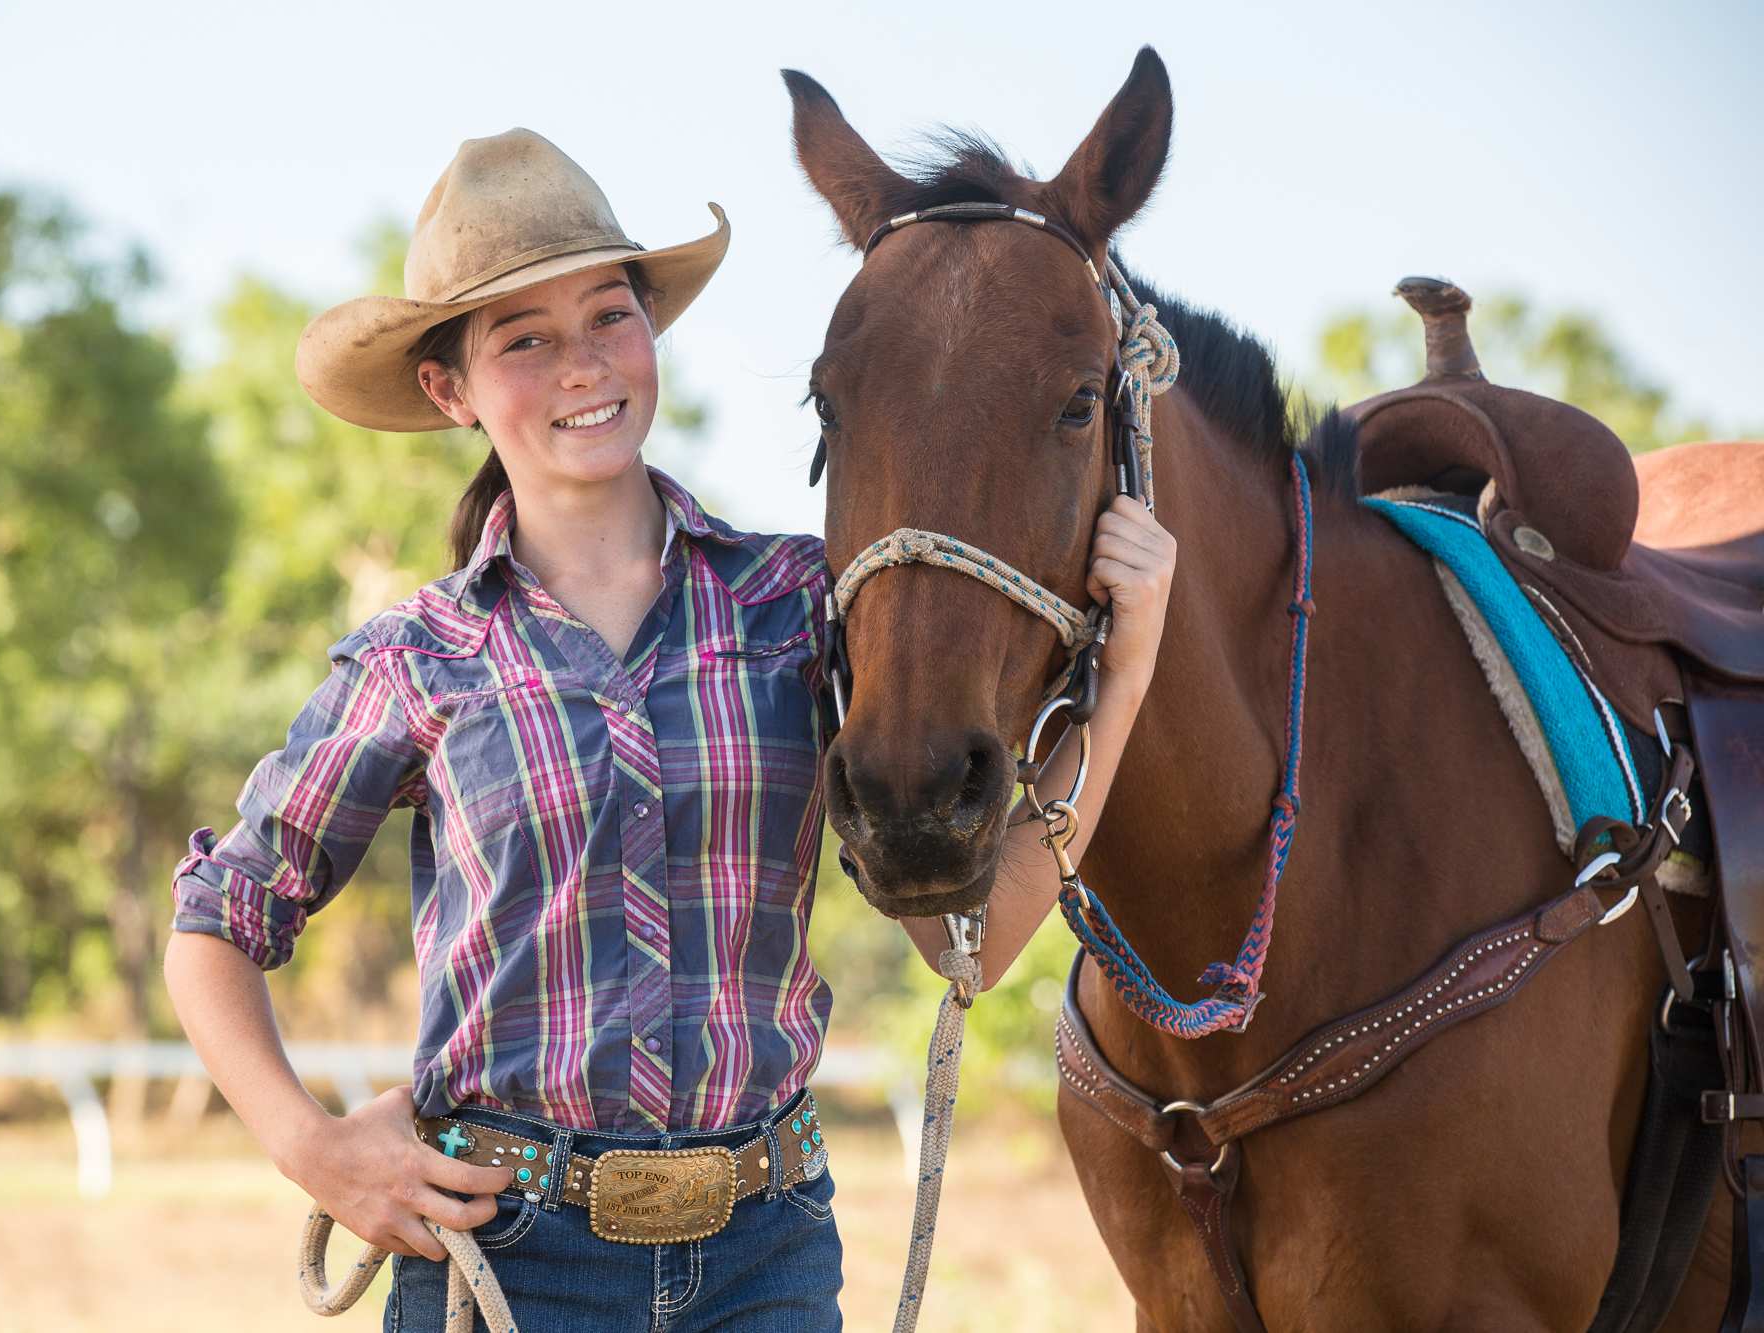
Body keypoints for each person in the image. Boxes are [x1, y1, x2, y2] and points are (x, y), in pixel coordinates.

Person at [161, 127, 1174, 1332]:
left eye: (607, 316)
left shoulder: (803, 607)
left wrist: (1130, 665)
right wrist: (311, 1145)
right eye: (523, 341)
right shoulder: (415, 660)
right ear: (451, 391)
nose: (582, 365)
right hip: (506, 1257)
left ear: (650, 333)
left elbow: (974, 944)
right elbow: (217, 922)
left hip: (763, 1258)